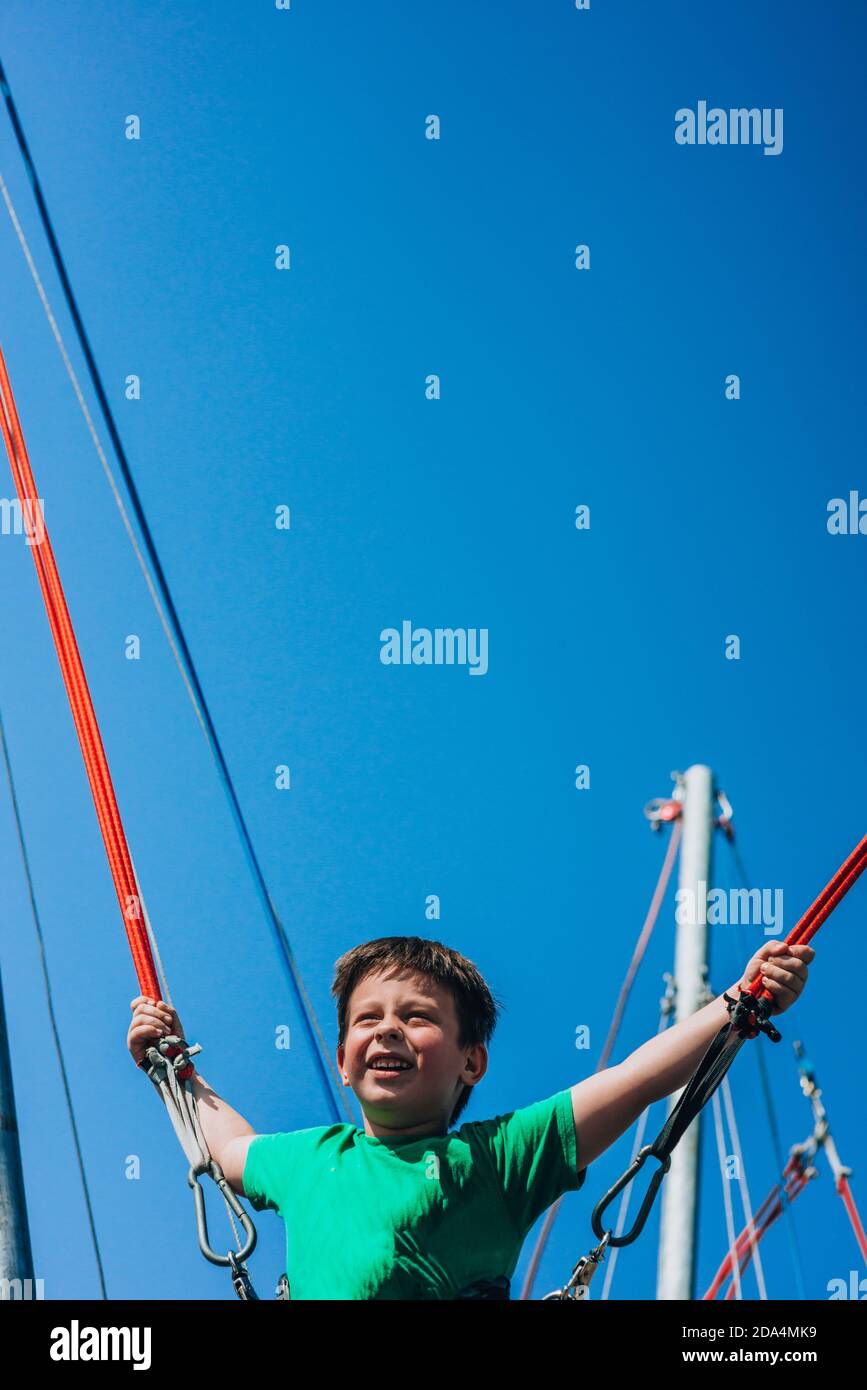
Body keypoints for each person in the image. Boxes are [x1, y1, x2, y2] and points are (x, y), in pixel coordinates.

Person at [127, 934, 813, 1299]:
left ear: (470, 1063)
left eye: (416, 1018)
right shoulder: (310, 1158)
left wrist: (737, 1003)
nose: (387, 1031)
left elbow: (633, 1080)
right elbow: (229, 1146)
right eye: (368, 1020)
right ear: (343, 1060)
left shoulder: (498, 1158)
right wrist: (173, 1070)